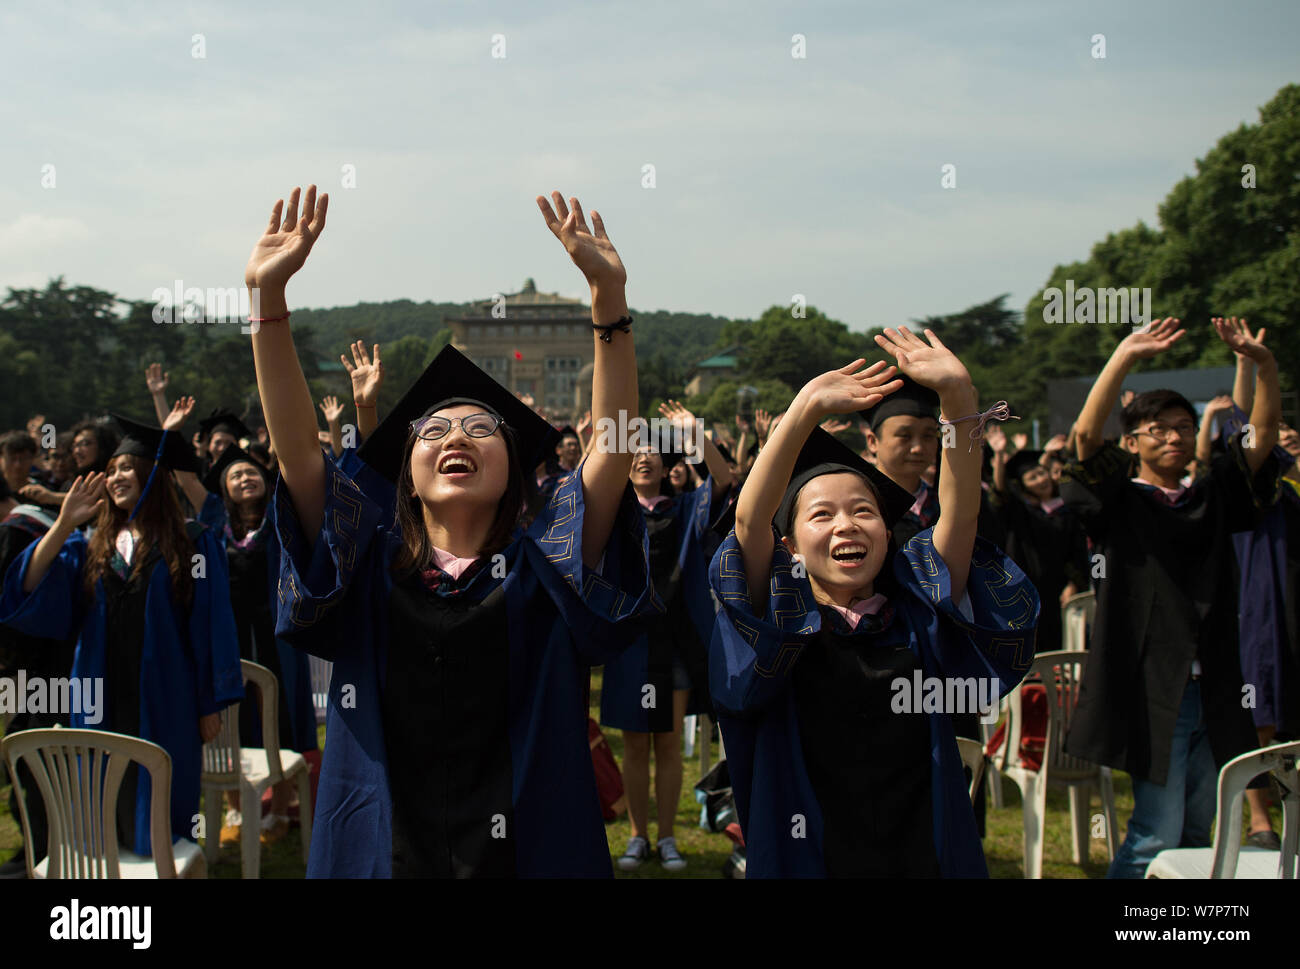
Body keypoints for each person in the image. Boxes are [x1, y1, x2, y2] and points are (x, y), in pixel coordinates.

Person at [246, 184, 656, 877]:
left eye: (480, 428)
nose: (456, 436)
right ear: (405, 470)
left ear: (518, 467)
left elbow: (612, 447)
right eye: (433, 429)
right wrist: (267, 303)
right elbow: (296, 453)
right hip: (387, 844)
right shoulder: (366, 565)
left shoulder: (548, 567)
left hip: (525, 848)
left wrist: (608, 301)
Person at [709, 330, 1037, 877]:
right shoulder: (780, 617)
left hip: (918, 838)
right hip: (814, 840)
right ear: (788, 544)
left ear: (888, 531)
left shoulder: (916, 603)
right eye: (821, 515)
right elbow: (748, 520)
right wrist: (804, 410)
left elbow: (960, 516)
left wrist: (958, 397)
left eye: (863, 510)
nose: (846, 524)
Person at [1060, 316, 1283, 878]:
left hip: (1218, 688)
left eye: (1183, 427)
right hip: (1156, 689)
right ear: (1132, 442)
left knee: (1197, 831)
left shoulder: (1210, 497)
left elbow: (1258, 444)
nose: (1173, 437)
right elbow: (1087, 439)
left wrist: (1264, 366)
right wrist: (1124, 356)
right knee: (1153, 832)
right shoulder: (1120, 503)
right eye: (1157, 429)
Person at [0, 412, 243, 858]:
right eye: (110, 471)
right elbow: (25, 589)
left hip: (167, 695)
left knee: (165, 808)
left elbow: (212, 625)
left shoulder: (191, 541)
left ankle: (173, 862)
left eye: (126, 468)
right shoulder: (90, 544)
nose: (115, 478)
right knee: (103, 805)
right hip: (99, 691)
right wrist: (63, 524)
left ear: (153, 475)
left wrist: (211, 704)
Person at [602, 399, 733, 872]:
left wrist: (697, 433)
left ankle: (669, 836)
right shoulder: (614, 512)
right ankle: (637, 835)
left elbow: (724, 480)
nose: (644, 456)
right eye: (635, 449)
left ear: (667, 462)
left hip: (675, 641)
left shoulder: (684, 511)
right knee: (635, 742)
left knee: (670, 740)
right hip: (630, 642)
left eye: (653, 450)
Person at [197, 439, 319, 847]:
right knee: (230, 721)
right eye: (235, 475)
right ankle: (234, 806)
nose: (245, 477)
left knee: (280, 721)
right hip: (229, 641)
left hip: (278, 642)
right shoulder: (213, 532)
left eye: (251, 472)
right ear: (224, 490)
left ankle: (281, 810)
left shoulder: (282, 521)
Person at [986, 427, 1090, 653]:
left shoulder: (1068, 511)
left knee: (1061, 644)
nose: (1041, 479)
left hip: (1058, 591)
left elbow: (1078, 550)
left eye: (1042, 473)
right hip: (1024, 591)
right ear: (1023, 486)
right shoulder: (1020, 512)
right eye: (1032, 477)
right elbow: (1000, 492)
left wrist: (1074, 583)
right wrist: (1001, 456)